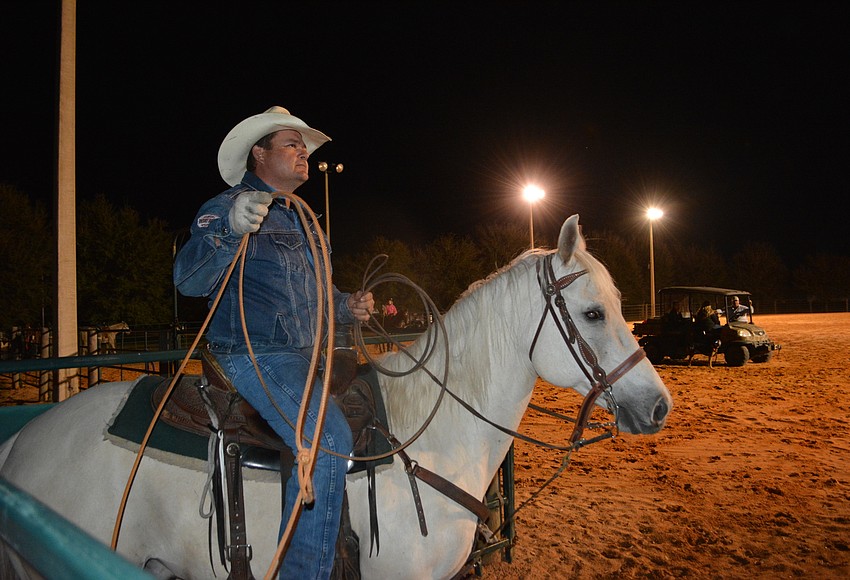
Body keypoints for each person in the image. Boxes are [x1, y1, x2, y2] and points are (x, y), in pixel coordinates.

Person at [174, 106, 374, 579]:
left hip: (307, 354)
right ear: (258, 154)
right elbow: (189, 280)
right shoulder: (228, 204)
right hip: (254, 352)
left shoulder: (305, 219)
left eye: (304, 146)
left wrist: (348, 307)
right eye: (291, 144)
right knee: (327, 440)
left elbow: (317, 297)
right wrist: (228, 228)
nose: (303, 152)